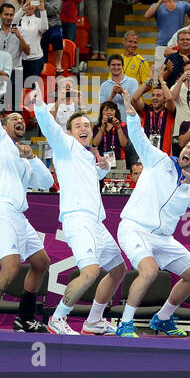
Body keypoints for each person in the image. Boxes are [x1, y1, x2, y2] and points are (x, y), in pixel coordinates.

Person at [111, 103, 190, 338]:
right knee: (149, 270)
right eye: (189, 147)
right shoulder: (159, 161)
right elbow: (140, 139)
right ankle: (125, 324)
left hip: (163, 238)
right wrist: (132, 117)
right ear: (182, 148)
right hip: (134, 228)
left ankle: (163, 317)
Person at [32, 101, 126, 336]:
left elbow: (90, 176)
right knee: (90, 272)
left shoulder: (87, 154)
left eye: (87, 125)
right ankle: (58, 317)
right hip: (78, 219)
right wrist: (41, 106)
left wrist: (102, 168)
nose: (84, 128)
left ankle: (94, 320)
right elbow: (49, 127)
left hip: (96, 222)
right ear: (69, 132)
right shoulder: (66, 146)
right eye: (78, 126)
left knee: (118, 270)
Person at [0, 82, 52, 333]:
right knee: (11, 267)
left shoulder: (24, 157)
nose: (20, 121)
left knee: (41, 262)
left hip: (17, 214)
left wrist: (34, 159)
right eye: (14, 118)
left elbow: (47, 182)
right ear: (5, 126)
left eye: (22, 119)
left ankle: (24, 318)